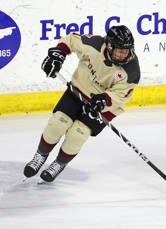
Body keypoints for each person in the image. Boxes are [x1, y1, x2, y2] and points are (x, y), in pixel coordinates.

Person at [23, 25, 140, 182]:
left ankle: (59, 164)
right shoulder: (95, 44)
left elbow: (122, 95)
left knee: (78, 135)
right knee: (57, 123)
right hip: (78, 90)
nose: (123, 54)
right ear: (109, 45)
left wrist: (104, 100)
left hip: (103, 105)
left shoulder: (132, 70)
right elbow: (71, 40)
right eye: (119, 50)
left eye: (126, 50)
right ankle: (40, 155)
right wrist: (59, 54)